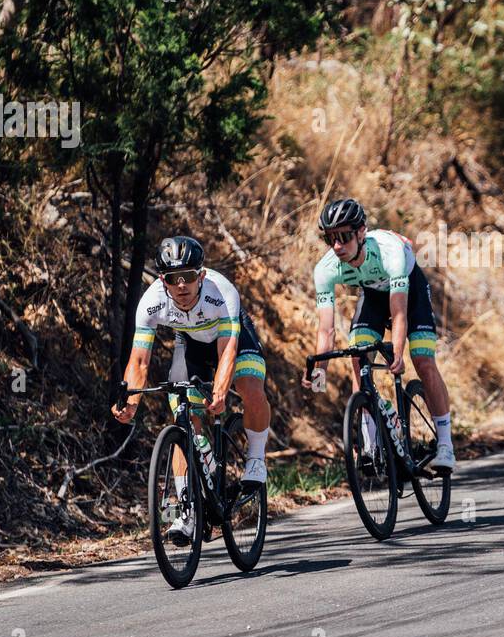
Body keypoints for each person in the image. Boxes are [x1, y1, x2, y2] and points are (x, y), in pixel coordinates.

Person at [112, 236, 272, 546]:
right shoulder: (152, 301)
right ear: (164, 281)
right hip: (191, 344)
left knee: (249, 385)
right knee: (182, 417)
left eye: (188, 277)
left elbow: (228, 351)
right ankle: (186, 509)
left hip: (232, 340)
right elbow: (139, 360)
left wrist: (221, 391)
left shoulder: (221, 292)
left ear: (201, 275)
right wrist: (130, 400)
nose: (182, 285)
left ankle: (255, 458)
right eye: (174, 279)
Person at [303, 198, 456, 472]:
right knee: (358, 357)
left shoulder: (390, 252)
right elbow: (325, 329)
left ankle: (445, 443)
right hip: (373, 295)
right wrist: (320, 370)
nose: (337, 246)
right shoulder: (325, 269)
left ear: (361, 232)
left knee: (422, 360)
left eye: (344, 237)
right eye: (330, 239)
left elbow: (399, 314)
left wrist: (397, 353)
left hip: (410, 293)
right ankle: (371, 442)